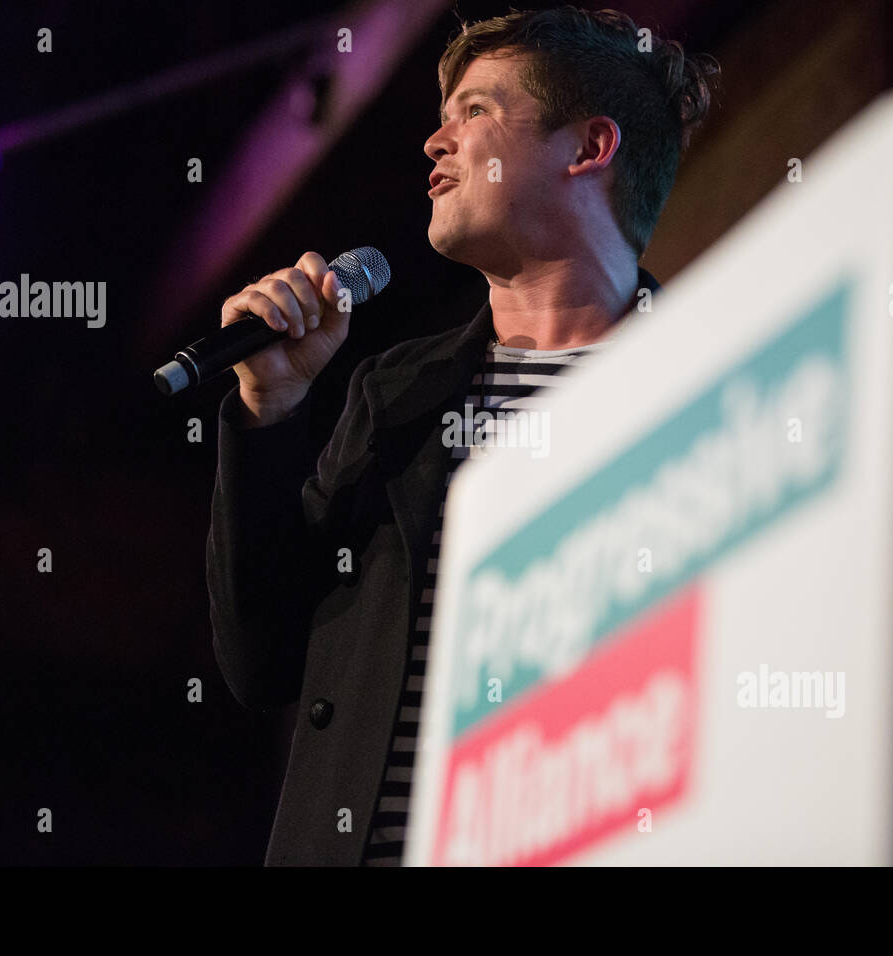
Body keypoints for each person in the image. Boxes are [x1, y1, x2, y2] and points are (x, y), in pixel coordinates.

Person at [206, 5, 719, 866]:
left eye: (476, 111)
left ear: (588, 147)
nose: (434, 144)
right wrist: (271, 407)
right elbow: (263, 660)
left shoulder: (709, 379)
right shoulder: (396, 397)